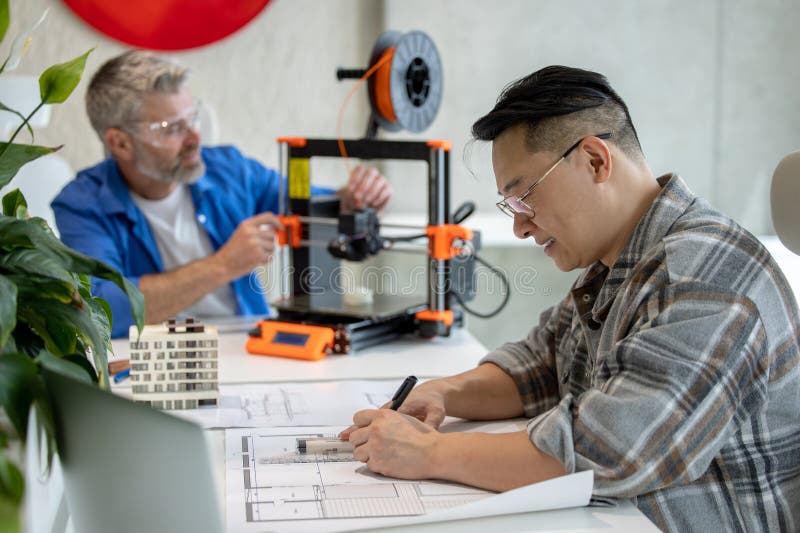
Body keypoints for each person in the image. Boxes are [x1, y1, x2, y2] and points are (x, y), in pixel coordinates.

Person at [342, 66, 800, 532]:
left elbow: (613, 451)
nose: (520, 226)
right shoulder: (615, 260)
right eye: (511, 207)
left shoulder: (706, 273)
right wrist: (442, 392)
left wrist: (429, 453)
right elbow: (540, 364)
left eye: (525, 197)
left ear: (596, 161)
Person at [52, 51, 391, 337]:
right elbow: (103, 308)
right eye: (172, 128)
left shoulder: (229, 169)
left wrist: (356, 197)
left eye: (193, 118)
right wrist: (222, 265)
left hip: (249, 344)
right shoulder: (82, 205)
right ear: (120, 143)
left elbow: (314, 206)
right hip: (153, 362)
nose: (194, 137)